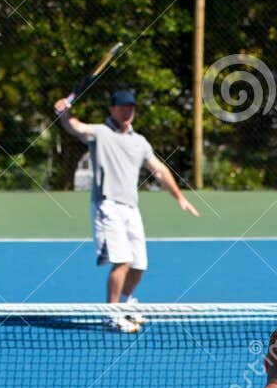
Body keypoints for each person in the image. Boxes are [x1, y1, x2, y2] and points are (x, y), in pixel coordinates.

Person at [53, 88, 198, 324]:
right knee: (122, 261)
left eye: (131, 107)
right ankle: (111, 313)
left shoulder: (139, 142)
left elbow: (159, 171)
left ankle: (126, 302)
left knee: (139, 264)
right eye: (122, 107)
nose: (127, 111)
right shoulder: (100, 133)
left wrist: (179, 197)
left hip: (131, 208)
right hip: (106, 205)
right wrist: (64, 114)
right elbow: (76, 127)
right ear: (112, 109)